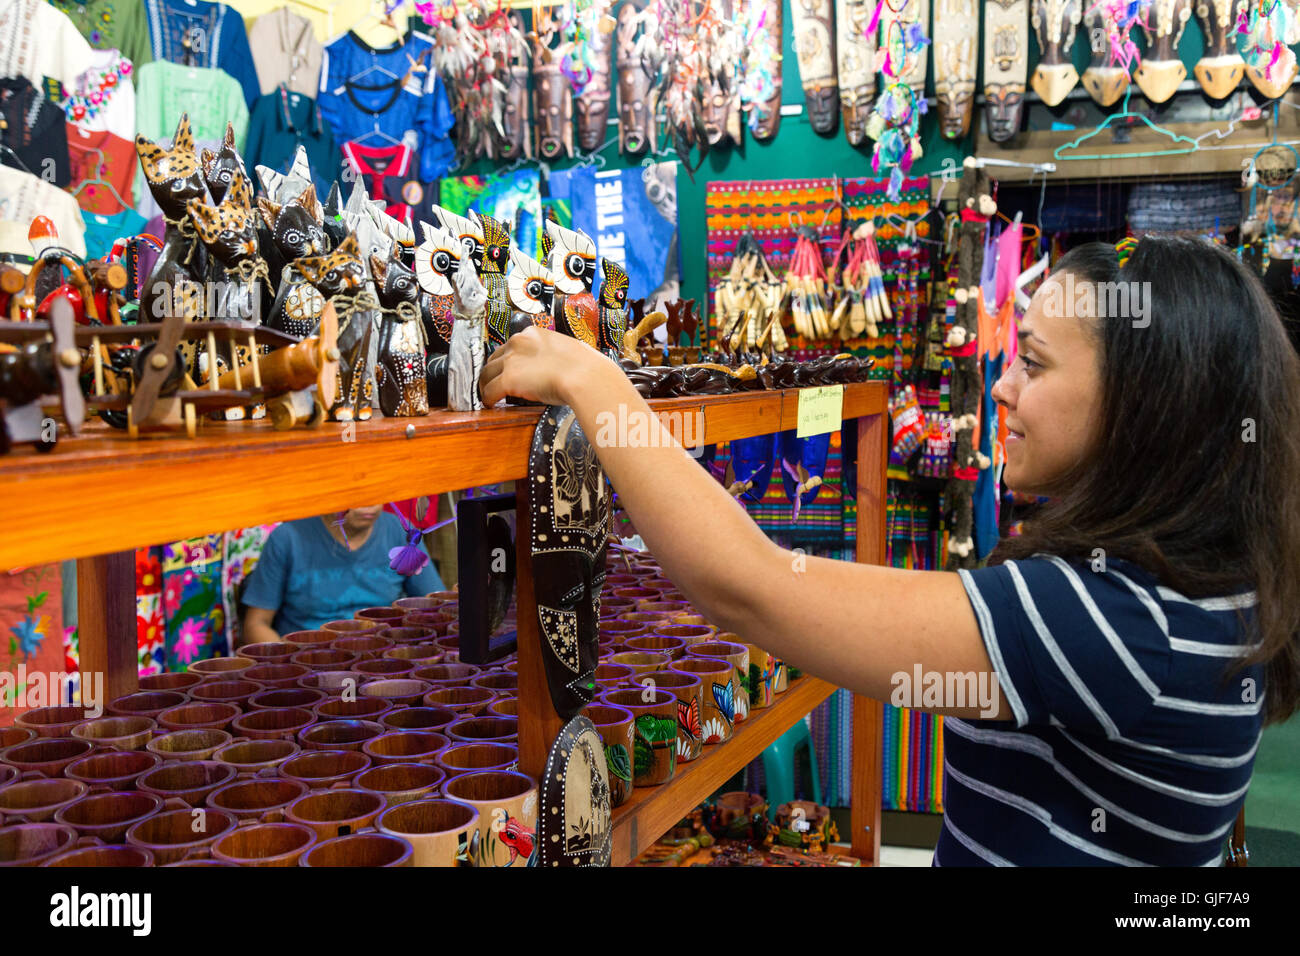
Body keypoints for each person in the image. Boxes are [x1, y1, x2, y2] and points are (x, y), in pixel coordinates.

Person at [479, 235, 1300, 867]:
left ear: (1144, 410)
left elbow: (752, 591)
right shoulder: (1212, 590)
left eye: (1036, 364)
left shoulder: (1107, 620)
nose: (1005, 385)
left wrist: (595, 386)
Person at [241, 506, 444, 642]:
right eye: (357, 496)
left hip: (380, 658)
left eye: (377, 493)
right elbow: (256, 624)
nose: (370, 506)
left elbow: (435, 607)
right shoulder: (287, 538)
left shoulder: (400, 531)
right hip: (309, 659)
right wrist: (289, 664)